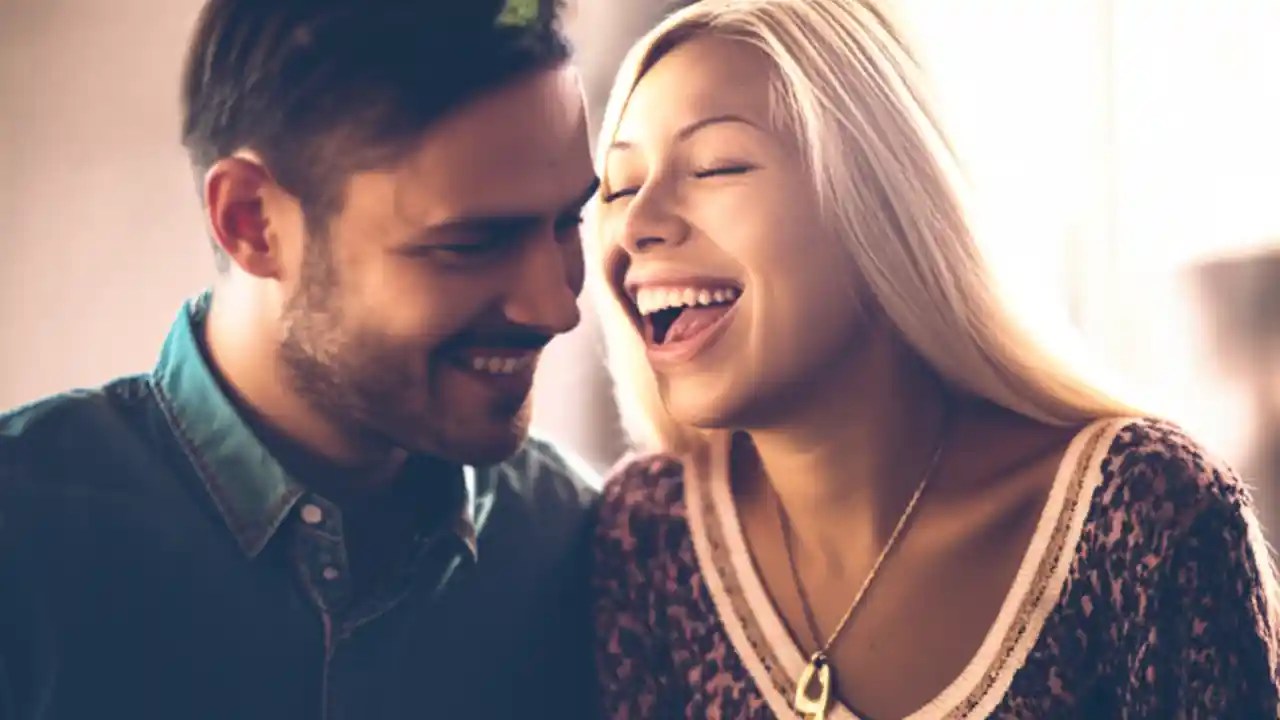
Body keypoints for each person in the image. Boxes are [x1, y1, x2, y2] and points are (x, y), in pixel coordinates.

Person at [587, 0, 1280, 717]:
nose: (636, 225)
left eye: (715, 167)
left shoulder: (1141, 515)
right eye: (620, 185)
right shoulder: (650, 534)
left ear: (886, 201)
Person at [0, 0, 601, 717]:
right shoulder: (23, 540)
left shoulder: (575, 543)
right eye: (470, 243)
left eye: (569, 221)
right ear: (251, 222)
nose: (557, 307)